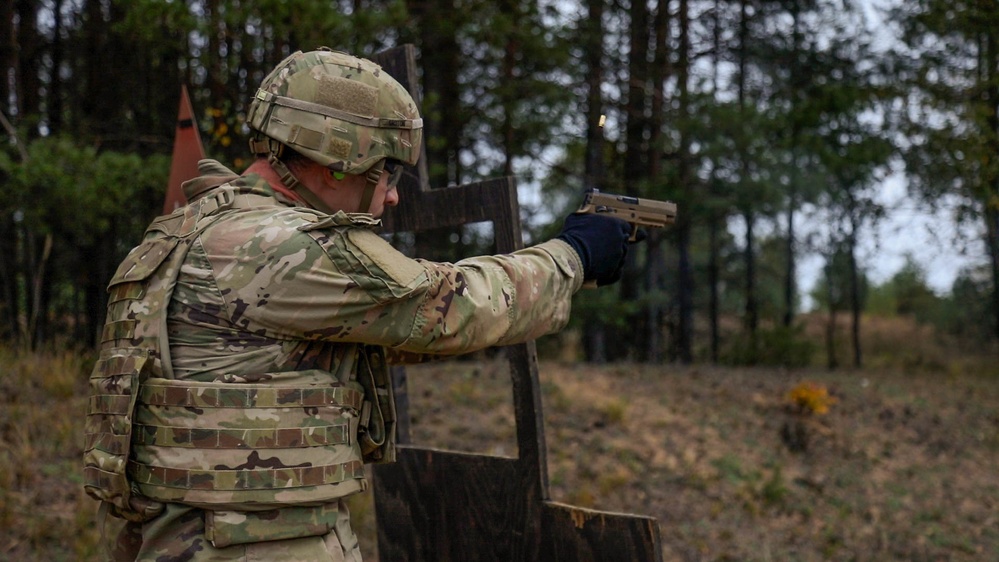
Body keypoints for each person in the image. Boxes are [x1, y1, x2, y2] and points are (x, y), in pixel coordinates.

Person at [83, 48, 636, 562]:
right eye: (387, 172)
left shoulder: (184, 231)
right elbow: (450, 309)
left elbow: (357, 341)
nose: (393, 194)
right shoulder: (284, 247)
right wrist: (576, 255)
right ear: (339, 164)